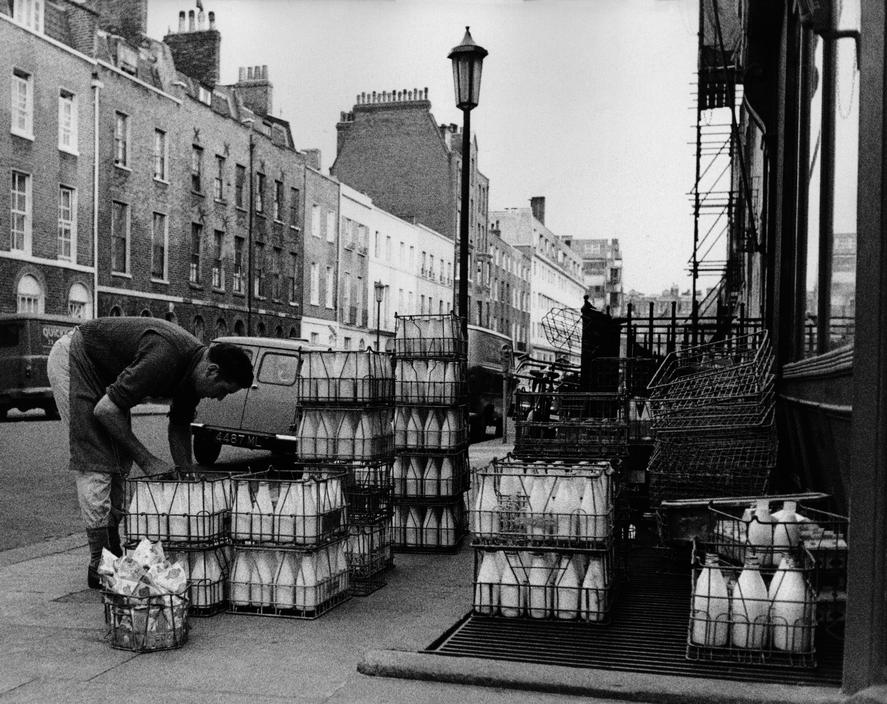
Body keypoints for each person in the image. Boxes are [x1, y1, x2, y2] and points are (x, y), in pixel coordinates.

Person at [47, 316, 254, 588]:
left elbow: (179, 425)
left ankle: (114, 555)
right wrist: (148, 461)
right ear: (212, 371)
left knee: (120, 461)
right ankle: (99, 564)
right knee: (97, 461)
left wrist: (187, 476)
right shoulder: (165, 357)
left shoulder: (194, 372)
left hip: (106, 374)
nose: (219, 397)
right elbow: (105, 410)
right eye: (223, 390)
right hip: (77, 358)